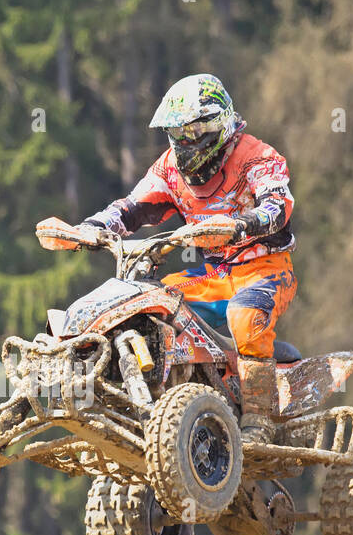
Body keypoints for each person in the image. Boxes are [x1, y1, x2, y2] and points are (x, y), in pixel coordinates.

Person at [36, 73, 296, 446]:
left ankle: (258, 418)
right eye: (175, 135)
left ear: (215, 127)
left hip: (266, 270)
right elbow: (131, 209)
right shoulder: (171, 169)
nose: (182, 144)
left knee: (244, 315)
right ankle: (157, 398)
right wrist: (89, 228)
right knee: (154, 304)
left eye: (189, 134)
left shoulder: (256, 157)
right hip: (214, 275)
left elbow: (278, 205)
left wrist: (240, 225)